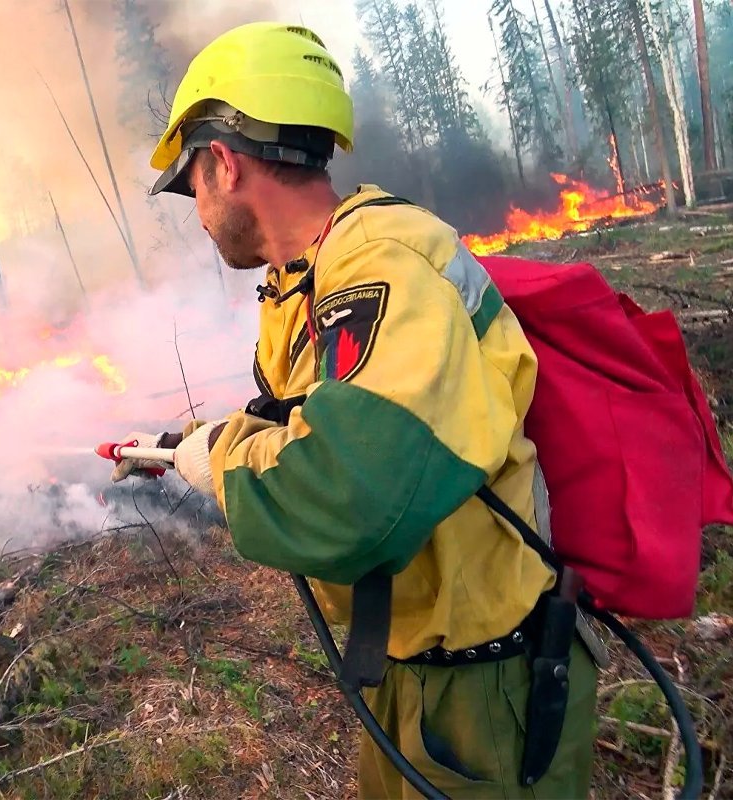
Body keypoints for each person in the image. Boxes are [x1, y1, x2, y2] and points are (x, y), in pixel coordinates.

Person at [109, 21, 599, 799]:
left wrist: (223, 459)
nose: (196, 213)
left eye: (191, 185)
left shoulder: (381, 267)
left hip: (487, 687)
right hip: (415, 666)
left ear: (225, 165)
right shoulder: (319, 274)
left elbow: (349, 497)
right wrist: (195, 445)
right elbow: (327, 414)